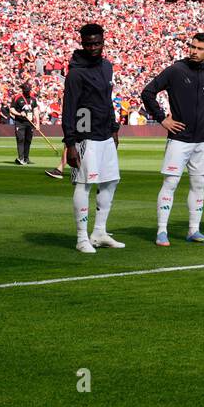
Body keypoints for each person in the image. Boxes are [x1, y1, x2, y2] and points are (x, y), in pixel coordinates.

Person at [141, 32, 204, 246]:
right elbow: (148, 93)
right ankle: (162, 231)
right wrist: (162, 119)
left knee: (199, 184)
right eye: (192, 47)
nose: (193, 51)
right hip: (179, 139)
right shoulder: (175, 70)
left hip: (202, 140)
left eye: (199, 48)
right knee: (170, 183)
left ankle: (194, 230)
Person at [62, 23, 124, 254]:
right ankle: (81, 238)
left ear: (103, 41)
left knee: (110, 181)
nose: (93, 48)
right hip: (84, 133)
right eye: (88, 44)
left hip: (105, 133)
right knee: (84, 184)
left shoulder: (107, 66)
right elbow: (68, 108)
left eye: (97, 43)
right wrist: (70, 143)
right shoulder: (76, 73)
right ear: (82, 43)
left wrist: (114, 128)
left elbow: (108, 100)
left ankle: (99, 232)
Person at [9, 82, 38, 165]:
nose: (27, 92)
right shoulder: (17, 97)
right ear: (22, 90)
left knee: (28, 140)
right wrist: (19, 113)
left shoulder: (33, 99)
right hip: (20, 122)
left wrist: (38, 123)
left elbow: (35, 110)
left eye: (28, 90)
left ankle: (26, 158)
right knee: (20, 139)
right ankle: (21, 158)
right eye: (25, 90)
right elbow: (12, 109)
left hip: (30, 123)